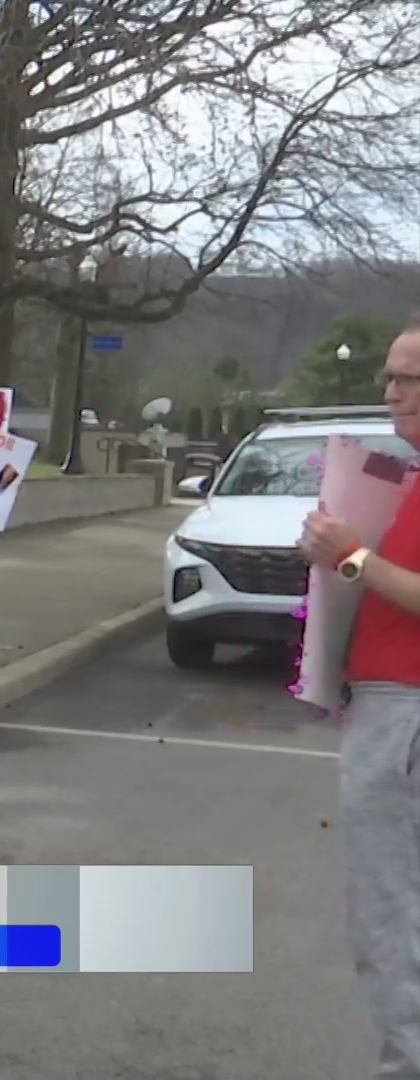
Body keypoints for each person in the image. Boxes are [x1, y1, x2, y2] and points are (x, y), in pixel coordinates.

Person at [298, 320, 420, 1079]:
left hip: (405, 718)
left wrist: (350, 555)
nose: (390, 392)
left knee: (391, 917)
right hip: (385, 709)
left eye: (408, 379)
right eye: (388, 376)